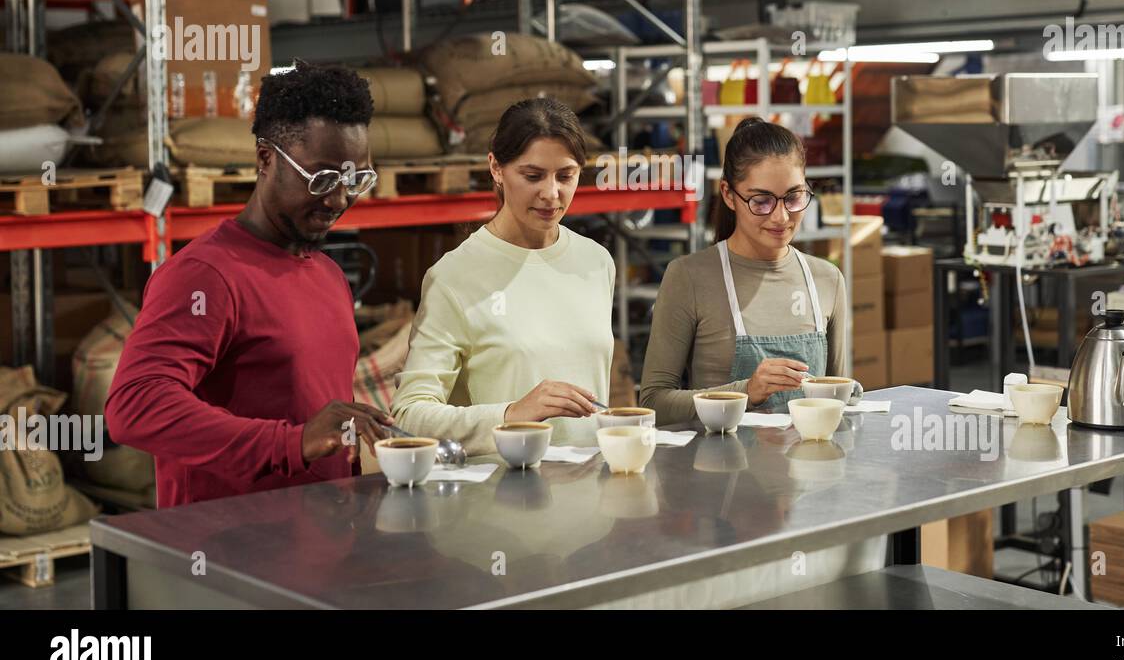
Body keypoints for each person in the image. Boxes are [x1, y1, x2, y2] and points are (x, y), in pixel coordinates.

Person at [106, 62, 395, 508]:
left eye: (356, 178)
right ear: (266, 159)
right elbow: (135, 406)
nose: (339, 198)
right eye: (321, 178)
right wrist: (291, 443)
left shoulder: (328, 274)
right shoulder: (206, 275)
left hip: (323, 547)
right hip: (229, 555)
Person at [392, 98, 613, 456]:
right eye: (532, 176)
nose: (551, 193)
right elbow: (409, 415)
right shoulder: (454, 277)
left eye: (566, 175)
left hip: (591, 495)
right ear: (496, 168)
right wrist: (511, 414)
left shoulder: (596, 262)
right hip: (503, 498)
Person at [639, 117, 853, 423]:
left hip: (809, 466)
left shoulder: (827, 280)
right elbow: (653, 403)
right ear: (728, 194)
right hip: (721, 467)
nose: (780, 217)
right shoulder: (690, 277)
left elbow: (839, 396)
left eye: (793, 197)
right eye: (762, 201)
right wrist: (746, 392)